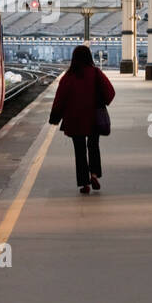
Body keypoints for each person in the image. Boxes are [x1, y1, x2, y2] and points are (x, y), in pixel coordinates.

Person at [48, 45, 115, 195]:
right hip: (94, 118)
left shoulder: (69, 76)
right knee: (93, 146)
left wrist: (55, 117)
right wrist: (101, 102)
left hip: (74, 120)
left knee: (79, 151)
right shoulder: (96, 73)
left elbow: (60, 99)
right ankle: (94, 174)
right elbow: (110, 92)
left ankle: (84, 183)